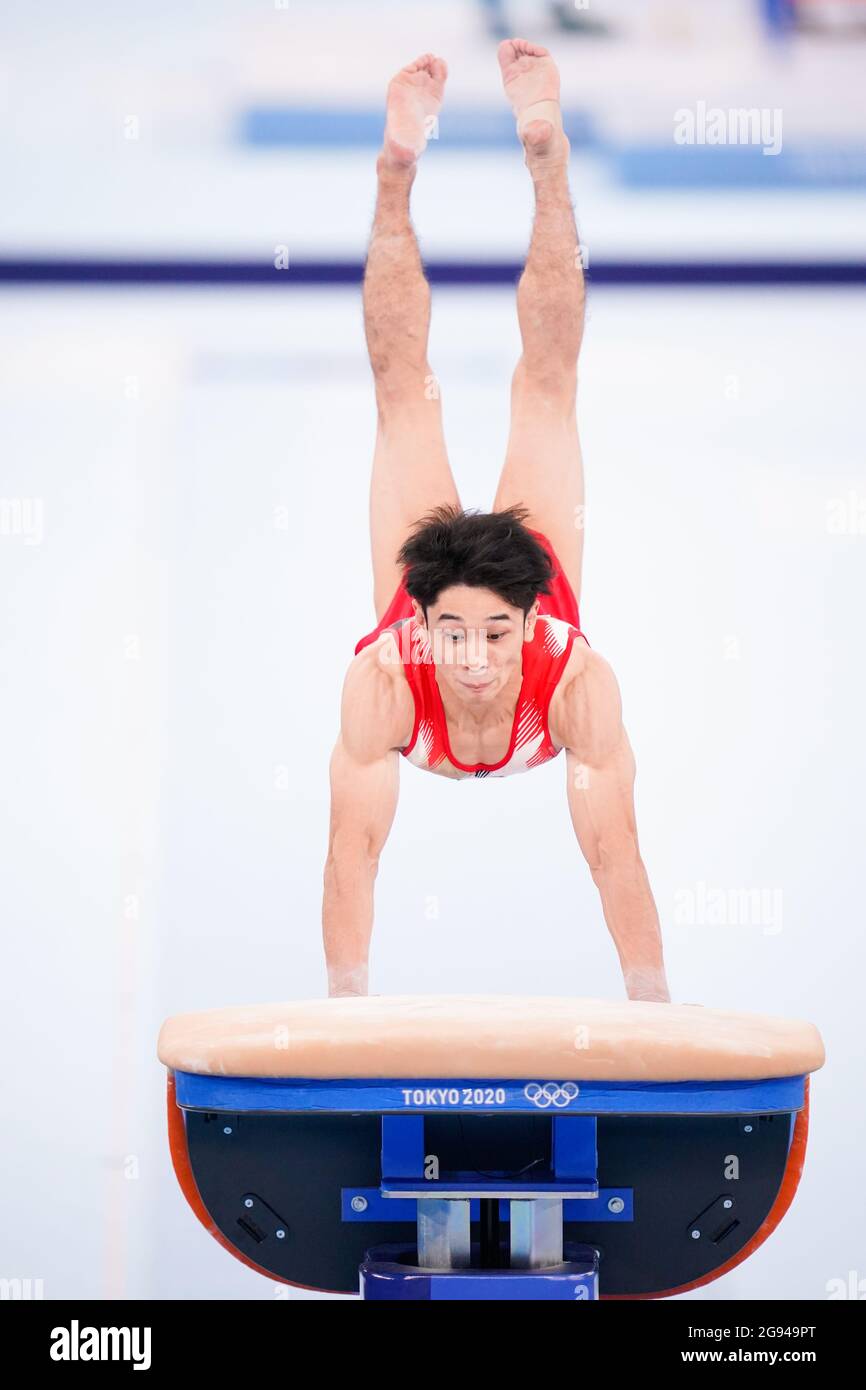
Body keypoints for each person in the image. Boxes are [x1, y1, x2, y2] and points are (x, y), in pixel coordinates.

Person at [322, 39, 670, 1004]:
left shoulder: (576, 685)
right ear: (419, 622)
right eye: (454, 635)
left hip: (526, 560)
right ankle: (395, 175)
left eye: (493, 634)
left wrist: (655, 1012)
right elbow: (352, 853)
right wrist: (345, 1016)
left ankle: (546, 164)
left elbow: (616, 853)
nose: (473, 661)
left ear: (534, 620)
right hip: (432, 576)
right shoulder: (387, 681)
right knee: (418, 392)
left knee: (532, 386)